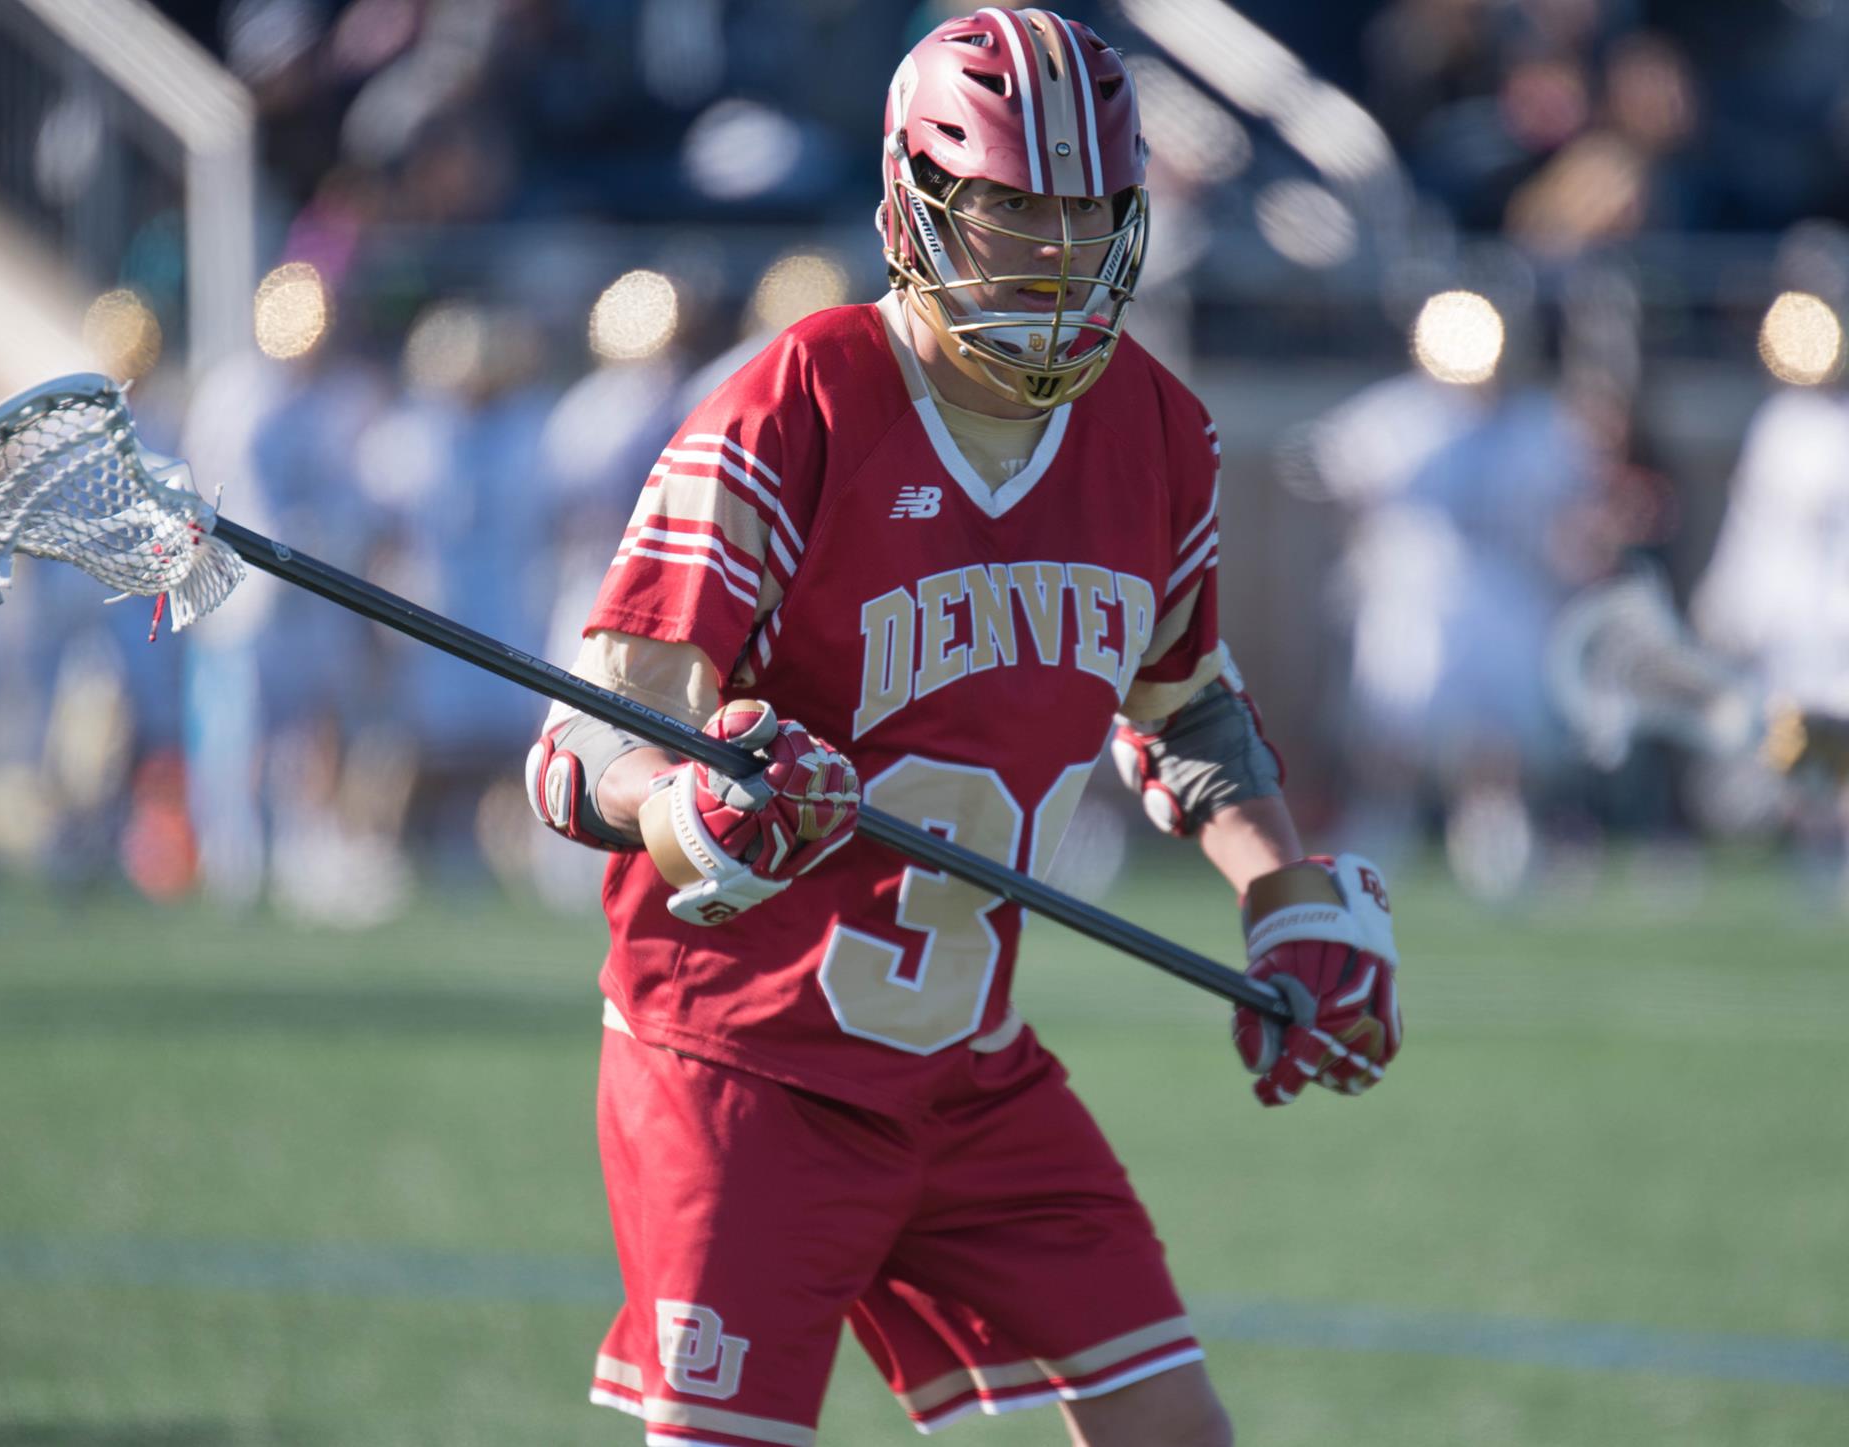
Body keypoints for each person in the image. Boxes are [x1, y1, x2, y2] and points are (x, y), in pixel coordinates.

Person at [526, 11, 1402, 1445]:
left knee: (1178, 1433)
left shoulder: (1160, 432)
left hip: (968, 1064)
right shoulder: (797, 400)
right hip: (745, 1068)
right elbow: (579, 748)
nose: (1054, 250)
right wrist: (688, 808)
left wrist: (1284, 891)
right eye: (1009, 207)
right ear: (916, 204)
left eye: (1088, 211)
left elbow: (1182, 701)